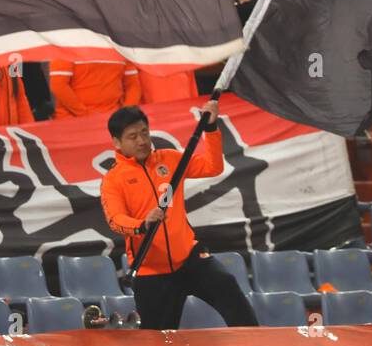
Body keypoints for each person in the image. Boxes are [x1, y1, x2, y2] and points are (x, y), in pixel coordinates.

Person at [100, 99, 259, 329]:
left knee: (227, 286)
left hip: (190, 259)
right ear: (117, 142)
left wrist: (211, 129)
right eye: (133, 137)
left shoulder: (171, 159)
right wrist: (142, 225)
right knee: (156, 345)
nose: (142, 141)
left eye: (145, 132)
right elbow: (115, 220)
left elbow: (213, 166)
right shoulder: (113, 180)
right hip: (150, 270)